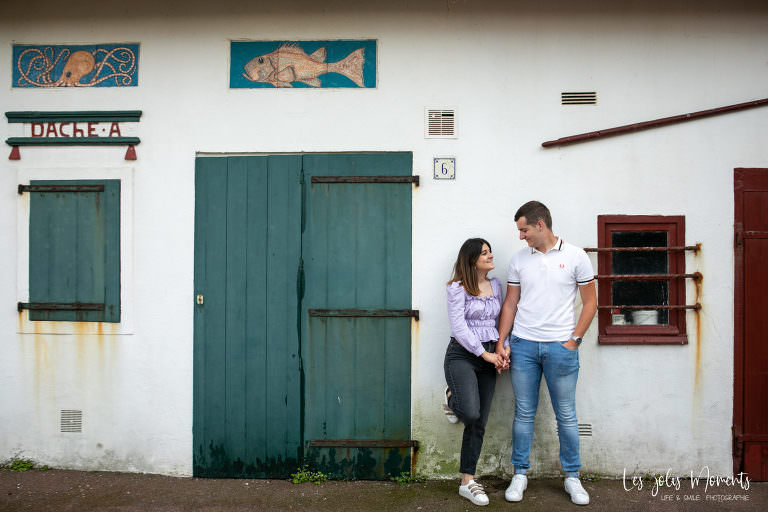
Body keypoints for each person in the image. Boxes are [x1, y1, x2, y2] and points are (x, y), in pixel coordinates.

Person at [494, 201, 597, 506]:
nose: (521, 236)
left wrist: (575, 340)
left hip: (560, 348)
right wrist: (502, 340)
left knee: (566, 415)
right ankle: (520, 474)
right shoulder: (519, 260)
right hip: (524, 345)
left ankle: (572, 477)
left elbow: (591, 303)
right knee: (523, 413)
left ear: (541, 225)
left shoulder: (576, 256)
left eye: (524, 229)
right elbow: (511, 304)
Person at [443, 238, 507, 506]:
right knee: (469, 412)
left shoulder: (496, 286)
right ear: (471, 260)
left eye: (490, 250)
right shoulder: (457, 288)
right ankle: (451, 398)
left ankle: (467, 481)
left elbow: (504, 319)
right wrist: (484, 353)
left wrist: (503, 350)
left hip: (491, 353)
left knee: (478, 422)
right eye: (484, 252)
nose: (490, 255)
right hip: (463, 354)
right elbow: (459, 327)